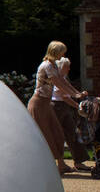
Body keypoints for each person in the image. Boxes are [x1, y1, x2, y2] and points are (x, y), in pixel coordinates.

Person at [28, 42, 86, 174]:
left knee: (57, 133)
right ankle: (53, 166)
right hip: (38, 104)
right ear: (56, 51)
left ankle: (61, 164)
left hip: (45, 104)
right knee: (46, 135)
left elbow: (63, 81)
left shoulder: (53, 65)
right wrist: (74, 94)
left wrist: (77, 93)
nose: (63, 54)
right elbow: (57, 83)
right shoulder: (47, 65)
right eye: (62, 52)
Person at [51, 55, 90, 171]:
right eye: (67, 67)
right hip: (56, 107)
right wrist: (78, 105)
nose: (68, 69)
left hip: (63, 108)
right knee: (57, 136)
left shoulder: (64, 78)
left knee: (73, 133)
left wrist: (79, 95)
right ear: (61, 67)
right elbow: (64, 96)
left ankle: (79, 161)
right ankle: (60, 163)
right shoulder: (57, 78)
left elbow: (71, 93)